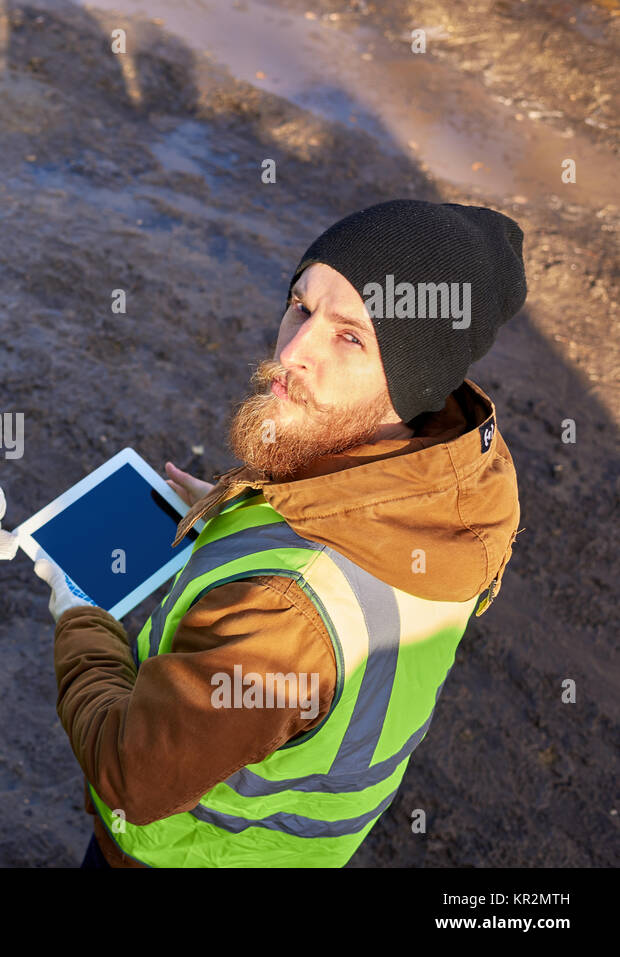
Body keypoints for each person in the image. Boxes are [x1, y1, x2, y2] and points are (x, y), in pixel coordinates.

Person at [33, 199, 526, 867]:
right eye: (301, 304)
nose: (292, 352)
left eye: (350, 336)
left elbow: (131, 777)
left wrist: (81, 619)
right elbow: (356, 550)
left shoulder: (283, 612)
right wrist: (241, 506)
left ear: (417, 379)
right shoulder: (458, 481)